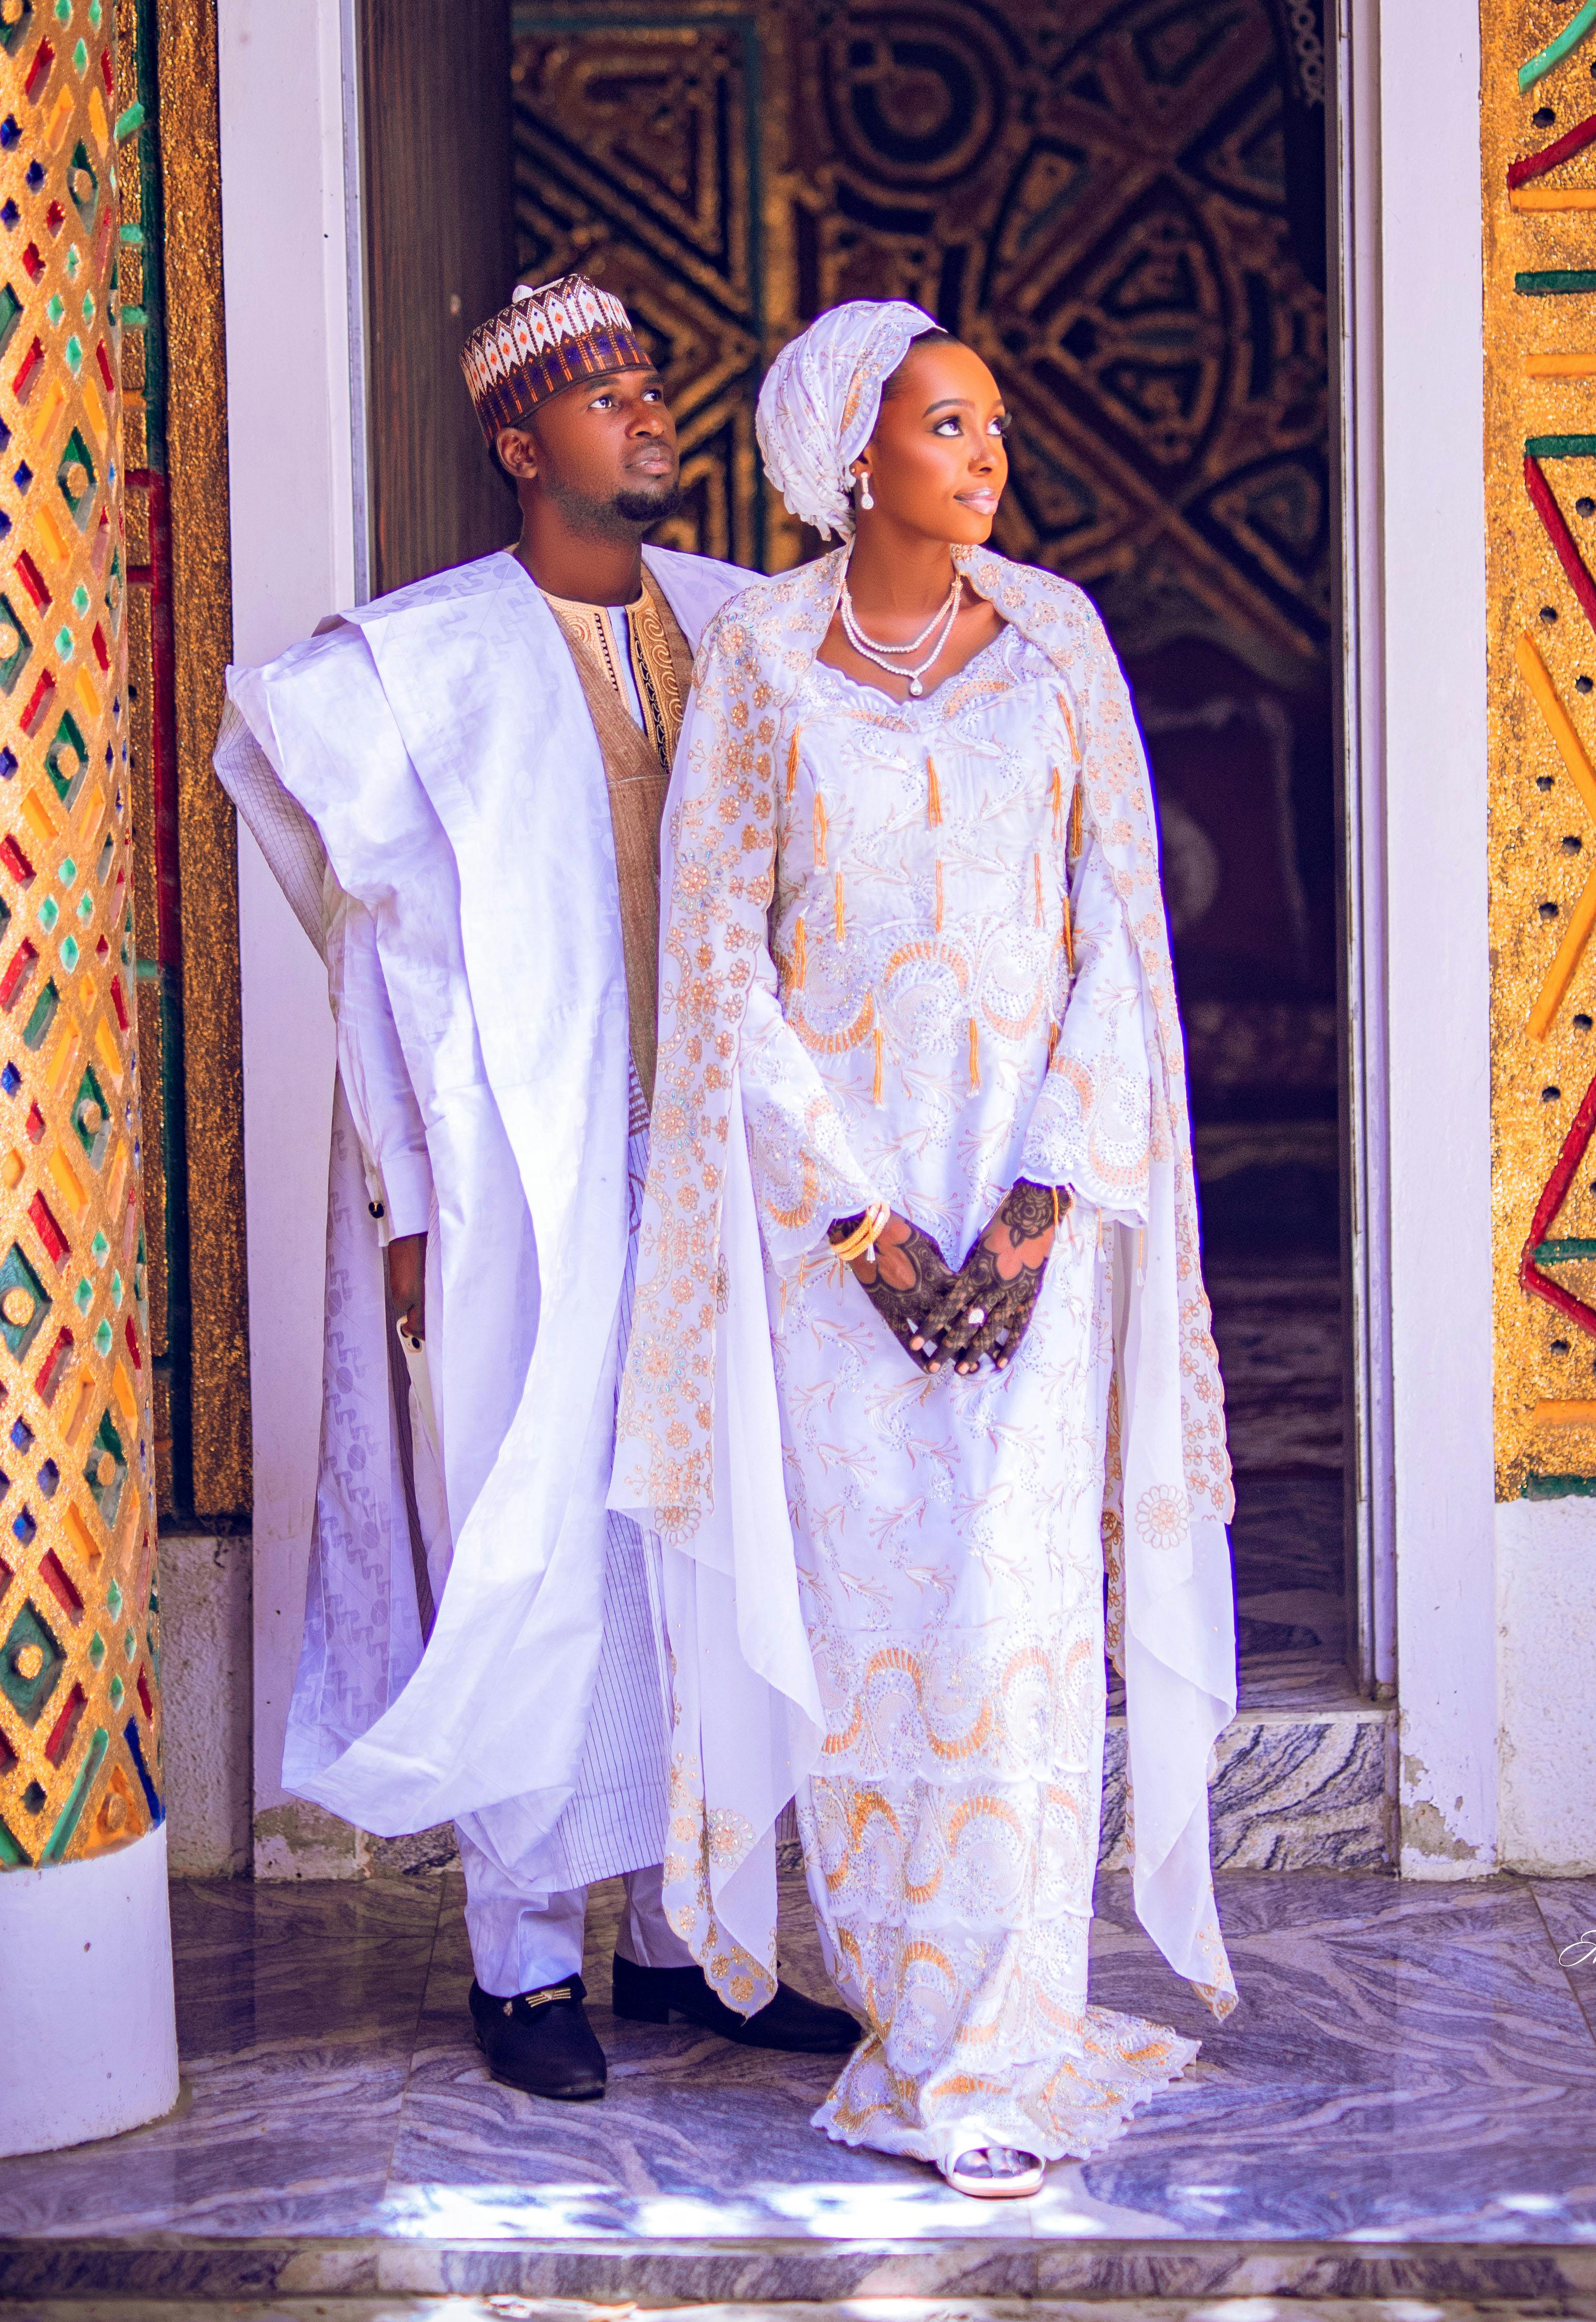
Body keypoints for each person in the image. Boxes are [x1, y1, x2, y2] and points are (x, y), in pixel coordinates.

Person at [614, 298, 1237, 2197]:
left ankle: (1012, 2042)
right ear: (846, 455)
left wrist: (1042, 1205)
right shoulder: (757, 666)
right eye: (947, 425)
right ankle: (920, 2029)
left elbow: (1115, 935)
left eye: (989, 427)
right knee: (884, 1637)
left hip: (1038, 1230)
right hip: (836, 1248)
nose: (983, 456)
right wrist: (862, 1223)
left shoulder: (1057, 642)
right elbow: (717, 964)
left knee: (1022, 1624)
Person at [215, 275, 857, 2103]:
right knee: (533, 1533)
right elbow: (370, 954)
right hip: (526, 1174)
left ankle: (689, 1941)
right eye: (604, 392)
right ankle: (521, 1963)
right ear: (522, 443)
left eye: (651, 383)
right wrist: (412, 1197)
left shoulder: (744, 618)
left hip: (724, 1172)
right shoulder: (422, 660)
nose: (649, 413)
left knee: (711, 1534)